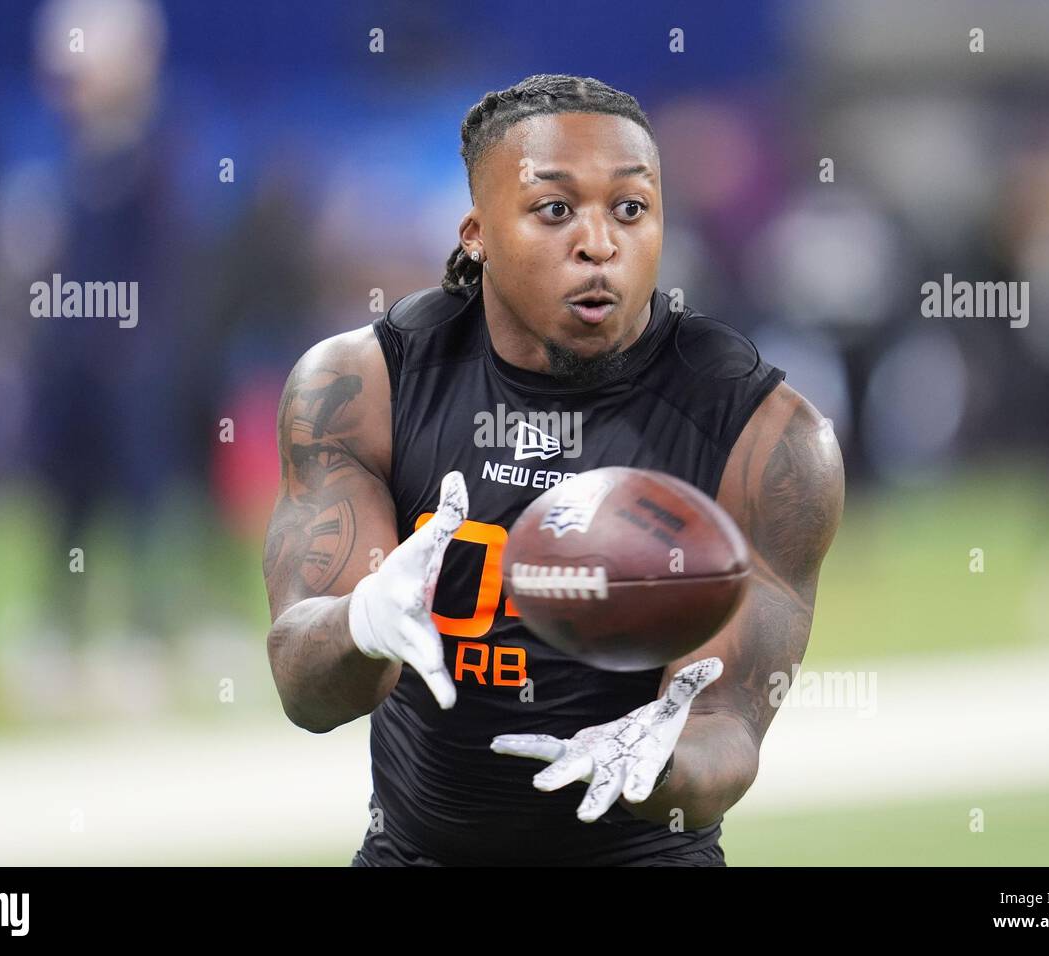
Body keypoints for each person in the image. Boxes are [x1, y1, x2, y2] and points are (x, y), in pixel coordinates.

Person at [263, 74, 844, 866]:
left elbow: (730, 726)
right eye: (555, 209)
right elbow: (305, 689)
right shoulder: (363, 387)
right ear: (477, 232)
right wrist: (363, 622)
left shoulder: (765, 435)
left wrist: (657, 759)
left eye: (630, 209)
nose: (599, 242)